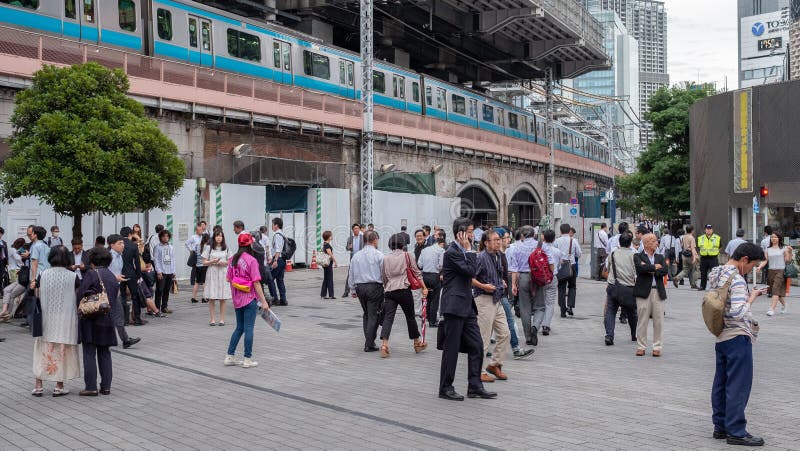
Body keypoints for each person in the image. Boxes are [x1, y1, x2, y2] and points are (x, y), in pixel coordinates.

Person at [707, 243, 767, 446]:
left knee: (721, 383)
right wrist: (751, 299)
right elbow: (738, 312)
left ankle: (720, 426)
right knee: (738, 385)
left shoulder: (716, 273)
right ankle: (736, 431)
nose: (752, 270)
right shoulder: (738, 280)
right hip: (737, 336)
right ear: (744, 260)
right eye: (753, 266)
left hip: (721, 335)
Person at [438, 217, 496, 401]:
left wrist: (469, 251)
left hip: (467, 306)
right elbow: (471, 270)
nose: (472, 235)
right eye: (470, 232)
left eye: (472, 231)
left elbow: (473, 268)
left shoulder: (462, 251)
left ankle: (475, 385)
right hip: (454, 306)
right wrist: (470, 250)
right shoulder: (452, 252)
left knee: (477, 345)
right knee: (452, 349)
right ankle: (446, 387)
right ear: (460, 233)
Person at [31, 246, 80, 397]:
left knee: (42, 350)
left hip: (46, 319)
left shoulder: (42, 274)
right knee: (62, 351)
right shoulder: (73, 276)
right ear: (67, 259)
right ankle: (59, 386)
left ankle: (38, 386)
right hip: (66, 320)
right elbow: (77, 295)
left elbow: (36, 294)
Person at [76, 247, 120, 396]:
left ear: (92, 260)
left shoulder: (91, 274)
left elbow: (81, 294)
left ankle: (91, 387)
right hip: (107, 319)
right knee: (105, 352)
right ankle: (106, 387)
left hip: (91, 319)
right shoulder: (112, 276)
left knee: (89, 352)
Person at [224, 233, 270, 368]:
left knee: (239, 328)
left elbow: (228, 279)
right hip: (250, 299)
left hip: (237, 299)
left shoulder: (232, 259)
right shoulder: (251, 260)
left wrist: (239, 282)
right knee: (249, 328)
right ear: (250, 244)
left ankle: (229, 356)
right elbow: (256, 283)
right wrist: (264, 302)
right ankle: (247, 359)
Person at [379, 233, 428, 358]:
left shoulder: (386, 258)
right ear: (402, 243)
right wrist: (424, 287)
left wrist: (387, 287)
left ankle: (384, 345)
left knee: (388, 318)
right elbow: (417, 273)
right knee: (410, 317)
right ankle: (417, 343)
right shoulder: (407, 255)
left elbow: (383, 276)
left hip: (390, 290)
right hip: (404, 289)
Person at [472, 230, 511, 383]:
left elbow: (499, 274)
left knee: (505, 333)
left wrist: (502, 281)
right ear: (486, 243)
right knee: (484, 337)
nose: (498, 242)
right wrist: (483, 286)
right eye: (495, 240)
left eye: (499, 239)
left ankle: (495, 364)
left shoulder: (500, 256)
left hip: (497, 298)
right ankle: (478, 371)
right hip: (483, 299)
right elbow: (470, 278)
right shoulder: (480, 257)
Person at [496, 229, 534, 360]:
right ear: (499, 239)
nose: (509, 240)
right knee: (508, 321)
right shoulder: (495, 255)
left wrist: (510, 284)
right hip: (495, 294)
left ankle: (515, 348)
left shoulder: (503, 253)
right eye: (506, 238)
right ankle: (516, 349)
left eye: (509, 237)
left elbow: (512, 269)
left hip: (500, 293)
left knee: (501, 323)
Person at [348, 231, 384, 352]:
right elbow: (384, 274)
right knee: (374, 314)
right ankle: (369, 343)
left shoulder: (356, 256)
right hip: (374, 287)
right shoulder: (379, 255)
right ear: (374, 240)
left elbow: (351, 273)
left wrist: (352, 288)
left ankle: (369, 340)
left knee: (366, 314)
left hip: (360, 288)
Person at [634, 234, 668, 357]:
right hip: (643, 292)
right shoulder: (638, 256)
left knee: (659, 321)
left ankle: (657, 347)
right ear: (647, 243)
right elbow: (640, 269)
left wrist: (648, 268)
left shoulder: (660, 256)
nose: (656, 243)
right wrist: (654, 267)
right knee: (642, 320)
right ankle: (641, 346)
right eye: (654, 241)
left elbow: (664, 270)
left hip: (658, 291)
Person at [106, 235, 141, 349]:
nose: (123, 245)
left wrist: (119, 284)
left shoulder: (119, 256)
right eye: (120, 243)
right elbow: (104, 274)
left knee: (117, 314)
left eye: (123, 243)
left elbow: (117, 273)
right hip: (107, 290)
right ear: (112, 245)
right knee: (117, 314)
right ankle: (124, 340)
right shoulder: (108, 257)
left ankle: (124, 340)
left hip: (115, 289)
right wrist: (115, 279)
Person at [603, 232, 638, 346]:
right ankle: (634, 334)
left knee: (610, 311)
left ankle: (609, 335)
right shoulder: (634, 254)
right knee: (632, 312)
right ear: (630, 243)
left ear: (619, 242)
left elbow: (607, 268)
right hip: (629, 288)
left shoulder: (613, 254)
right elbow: (636, 273)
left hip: (613, 286)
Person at [509, 225, 539, 346]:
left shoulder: (516, 247)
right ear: (534, 235)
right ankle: (535, 327)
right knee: (540, 306)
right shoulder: (539, 246)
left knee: (525, 308)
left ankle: (528, 337)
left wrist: (513, 285)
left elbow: (514, 268)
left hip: (522, 277)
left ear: (521, 235)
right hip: (538, 278)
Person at [756, 231, 793, 316]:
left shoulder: (784, 248)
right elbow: (765, 260)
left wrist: (790, 252)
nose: (773, 238)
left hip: (781, 271)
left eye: (775, 237)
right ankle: (784, 305)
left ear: (779, 238)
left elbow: (788, 260)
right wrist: (759, 267)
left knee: (775, 290)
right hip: (771, 271)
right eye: (772, 237)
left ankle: (771, 309)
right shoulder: (767, 249)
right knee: (776, 292)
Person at [534, 230, 562, 339]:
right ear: (554, 239)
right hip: (552, 277)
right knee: (550, 302)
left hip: (540, 278)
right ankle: (546, 326)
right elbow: (558, 266)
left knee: (540, 302)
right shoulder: (557, 251)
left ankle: (536, 324)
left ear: (543, 238)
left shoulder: (539, 250)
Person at [202, 230, 232, 325]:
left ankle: (222, 319)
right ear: (214, 237)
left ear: (223, 237)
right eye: (217, 236)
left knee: (223, 297)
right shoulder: (209, 248)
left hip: (223, 273)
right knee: (212, 297)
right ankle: (212, 319)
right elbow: (204, 262)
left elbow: (230, 261)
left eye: (220, 236)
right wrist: (213, 261)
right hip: (212, 273)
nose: (219, 237)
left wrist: (224, 263)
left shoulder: (226, 248)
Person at [418, 232, 445, 327]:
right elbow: (441, 265)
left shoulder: (424, 250)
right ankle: (432, 321)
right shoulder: (441, 250)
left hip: (425, 276)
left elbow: (420, 264)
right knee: (434, 299)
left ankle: (427, 318)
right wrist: (437, 268)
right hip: (434, 276)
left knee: (427, 297)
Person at [119, 227, 145, 326]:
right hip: (131, 274)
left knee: (122, 297)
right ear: (130, 234)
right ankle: (137, 319)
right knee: (135, 296)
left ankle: (124, 320)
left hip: (120, 274)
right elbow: (137, 263)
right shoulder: (133, 246)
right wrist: (139, 275)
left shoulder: (117, 245)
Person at [554, 223, 582, 317]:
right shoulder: (573, 241)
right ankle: (570, 306)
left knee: (561, 288)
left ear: (560, 231)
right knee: (572, 286)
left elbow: (554, 253)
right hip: (571, 265)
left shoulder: (557, 241)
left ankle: (562, 310)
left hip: (561, 266)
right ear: (569, 230)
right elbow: (579, 254)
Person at [1, 238, 26, 322]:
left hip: (22, 275)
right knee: (7, 290)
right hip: (15, 270)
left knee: (11, 293)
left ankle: (7, 314)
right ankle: (5, 312)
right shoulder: (13, 249)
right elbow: (18, 259)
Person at [153, 229, 176, 315]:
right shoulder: (157, 247)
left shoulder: (171, 246)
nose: (165, 238)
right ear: (160, 237)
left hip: (170, 271)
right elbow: (156, 260)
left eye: (167, 236)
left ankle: (164, 307)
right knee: (159, 289)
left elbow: (173, 259)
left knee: (167, 290)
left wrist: (174, 271)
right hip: (162, 271)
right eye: (163, 236)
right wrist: (158, 271)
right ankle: (156, 308)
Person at [266, 218, 288, 306]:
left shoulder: (277, 235)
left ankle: (274, 298)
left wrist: (275, 260)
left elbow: (278, 250)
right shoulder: (282, 234)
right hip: (282, 260)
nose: (271, 226)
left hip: (278, 259)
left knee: (270, 278)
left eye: (272, 224)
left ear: (276, 225)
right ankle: (283, 299)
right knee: (280, 280)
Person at [673, 225, 700, 289]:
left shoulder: (683, 237)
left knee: (685, 269)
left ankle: (677, 278)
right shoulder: (691, 238)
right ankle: (694, 284)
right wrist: (694, 257)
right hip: (691, 255)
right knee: (695, 270)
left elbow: (682, 245)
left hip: (684, 255)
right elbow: (693, 248)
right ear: (692, 230)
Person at [341, 224, 364, 298]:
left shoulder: (363, 238)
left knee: (362, 275)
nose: (356, 230)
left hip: (361, 259)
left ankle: (361, 291)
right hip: (353, 259)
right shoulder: (350, 238)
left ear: (359, 229)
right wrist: (349, 247)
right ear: (352, 230)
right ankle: (346, 292)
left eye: (357, 228)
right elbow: (347, 248)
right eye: (355, 228)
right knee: (349, 275)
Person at [698, 224, 722, 290]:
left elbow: (720, 247)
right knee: (703, 273)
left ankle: (715, 286)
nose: (708, 230)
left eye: (710, 229)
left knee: (715, 273)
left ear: (712, 230)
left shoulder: (717, 237)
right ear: (705, 230)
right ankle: (702, 286)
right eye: (707, 229)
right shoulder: (700, 238)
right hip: (704, 258)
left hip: (713, 258)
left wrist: (716, 253)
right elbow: (699, 247)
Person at [185, 224, 204, 303]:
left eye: (201, 230)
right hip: (196, 256)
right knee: (201, 279)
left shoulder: (203, 237)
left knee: (199, 280)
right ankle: (204, 297)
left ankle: (196, 297)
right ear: (196, 231)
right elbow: (186, 243)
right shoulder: (193, 237)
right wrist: (191, 250)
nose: (201, 231)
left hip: (202, 257)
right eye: (199, 230)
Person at [28, 226, 50, 291]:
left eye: (32, 233)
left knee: (36, 298)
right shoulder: (46, 246)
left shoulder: (36, 246)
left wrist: (33, 280)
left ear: (35, 235)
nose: (30, 235)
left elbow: (34, 264)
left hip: (37, 276)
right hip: (46, 274)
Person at [319, 230, 337, 300]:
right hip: (328, 264)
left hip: (325, 264)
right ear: (329, 237)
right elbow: (330, 254)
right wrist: (335, 261)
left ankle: (323, 294)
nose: (332, 236)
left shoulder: (324, 244)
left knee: (326, 278)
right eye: (331, 235)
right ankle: (331, 295)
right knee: (329, 279)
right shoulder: (327, 245)